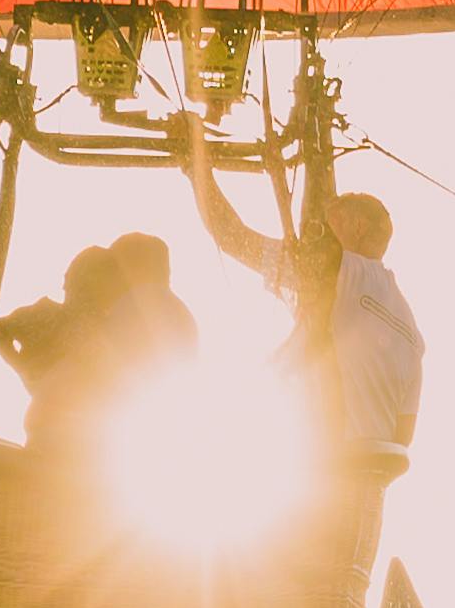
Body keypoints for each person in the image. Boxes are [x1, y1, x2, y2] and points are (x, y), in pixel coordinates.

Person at [173, 113, 424, 464]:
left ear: (355, 225)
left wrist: (193, 161)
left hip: (326, 469)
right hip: (369, 486)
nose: (316, 231)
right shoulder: (410, 328)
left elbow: (230, 235)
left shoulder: (333, 272)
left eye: (329, 220)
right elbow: (404, 435)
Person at [0, 231, 196, 461]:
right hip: (77, 455)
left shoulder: (142, 309)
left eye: (113, 268)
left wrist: (33, 374)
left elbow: (108, 377)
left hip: (74, 460)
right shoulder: (154, 311)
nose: (111, 280)